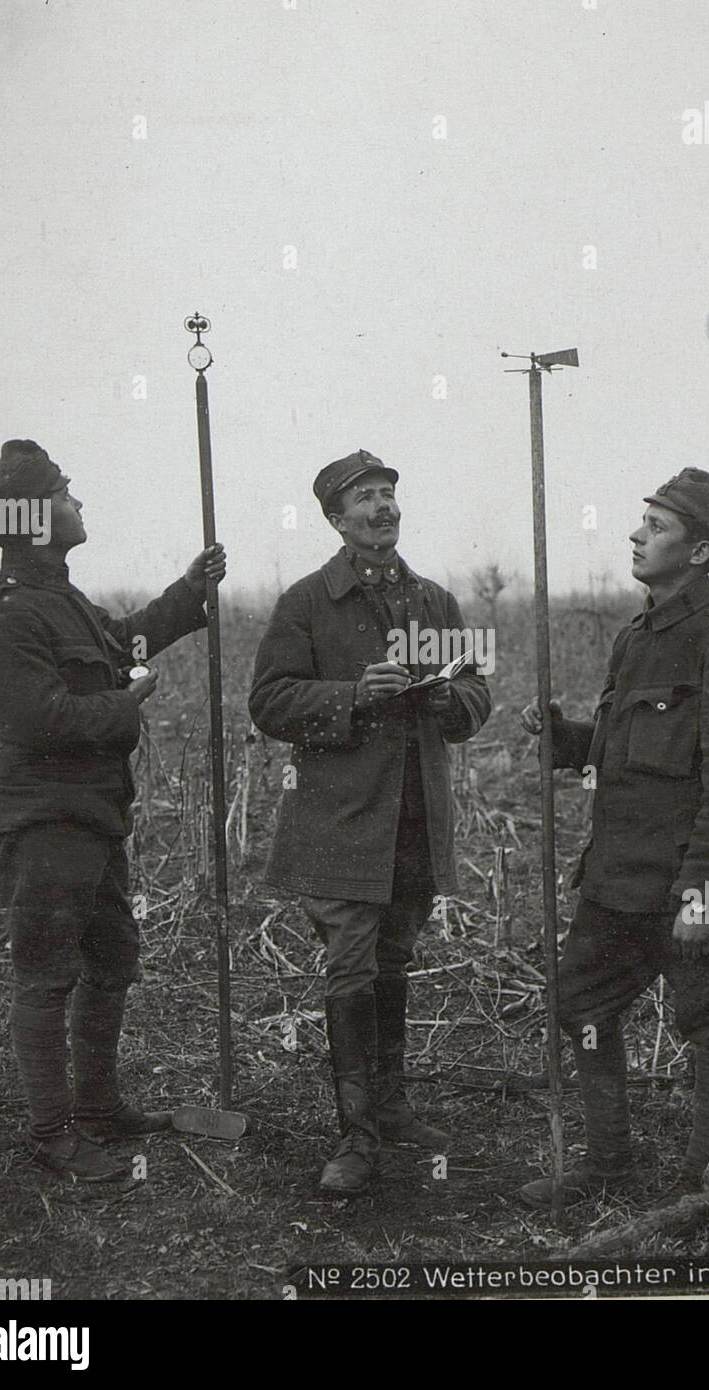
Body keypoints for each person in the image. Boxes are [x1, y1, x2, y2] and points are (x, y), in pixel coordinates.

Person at [0, 439, 226, 1183]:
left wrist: (187, 590)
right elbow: (47, 717)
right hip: (43, 822)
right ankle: (53, 1136)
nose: (78, 502)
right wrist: (127, 703)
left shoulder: (62, 600)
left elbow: (123, 642)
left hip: (92, 816)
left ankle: (99, 1108)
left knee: (111, 959)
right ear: (32, 517)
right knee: (46, 974)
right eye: (64, 492)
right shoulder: (7, 620)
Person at [519, 468, 709, 1207]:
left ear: (698, 553)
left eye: (657, 527)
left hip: (691, 885)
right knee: (582, 1006)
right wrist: (565, 737)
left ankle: (708, 1181)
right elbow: (623, 748)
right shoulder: (637, 637)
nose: (636, 534)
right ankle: (607, 1162)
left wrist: (701, 895)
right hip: (618, 882)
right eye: (643, 521)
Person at [249, 449, 491, 1196]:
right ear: (335, 518)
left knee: (394, 960)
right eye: (365, 498)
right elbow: (269, 702)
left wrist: (453, 702)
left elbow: (476, 693)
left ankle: (390, 1105)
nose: (383, 507)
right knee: (350, 967)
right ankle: (356, 1139)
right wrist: (353, 696)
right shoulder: (307, 604)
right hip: (341, 824)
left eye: (389, 494)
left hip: (415, 820)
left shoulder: (435, 603)